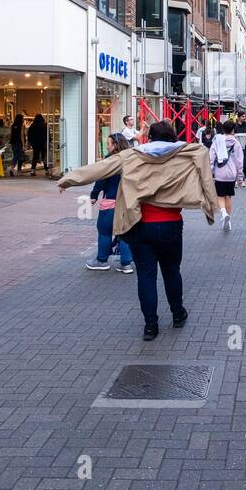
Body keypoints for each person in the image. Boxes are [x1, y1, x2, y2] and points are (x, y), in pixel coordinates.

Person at [58, 121, 218, 340]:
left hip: (139, 224)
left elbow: (99, 168)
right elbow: (207, 177)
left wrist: (68, 180)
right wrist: (211, 207)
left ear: (149, 137)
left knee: (146, 276)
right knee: (172, 272)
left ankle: (150, 326)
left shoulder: (132, 156)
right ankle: (178, 314)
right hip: (171, 223)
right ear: (172, 137)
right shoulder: (187, 153)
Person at [86, 133, 135, 273]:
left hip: (110, 202)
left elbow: (101, 179)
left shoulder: (110, 161)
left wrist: (94, 194)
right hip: (126, 203)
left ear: (115, 145)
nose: (107, 146)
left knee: (104, 232)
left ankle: (102, 261)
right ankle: (126, 263)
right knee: (124, 232)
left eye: (109, 143)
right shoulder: (131, 160)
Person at [209, 120, 243, 232]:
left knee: (220, 196)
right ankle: (228, 219)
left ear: (223, 130)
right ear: (233, 130)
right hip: (232, 174)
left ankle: (223, 213)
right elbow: (240, 161)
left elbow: (211, 157)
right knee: (228, 196)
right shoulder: (236, 143)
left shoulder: (217, 141)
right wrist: (240, 177)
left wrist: (210, 172)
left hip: (220, 173)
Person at [8, 112, 26, 177]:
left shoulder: (12, 125)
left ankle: (12, 168)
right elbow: (21, 135)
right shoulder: (22, 125)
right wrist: (23, 144)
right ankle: (18, 171)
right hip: (19, 142)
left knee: (15, 156)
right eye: (22, 118)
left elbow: (11, 134)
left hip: (13, 142)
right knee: (20, 157)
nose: (23, 119)